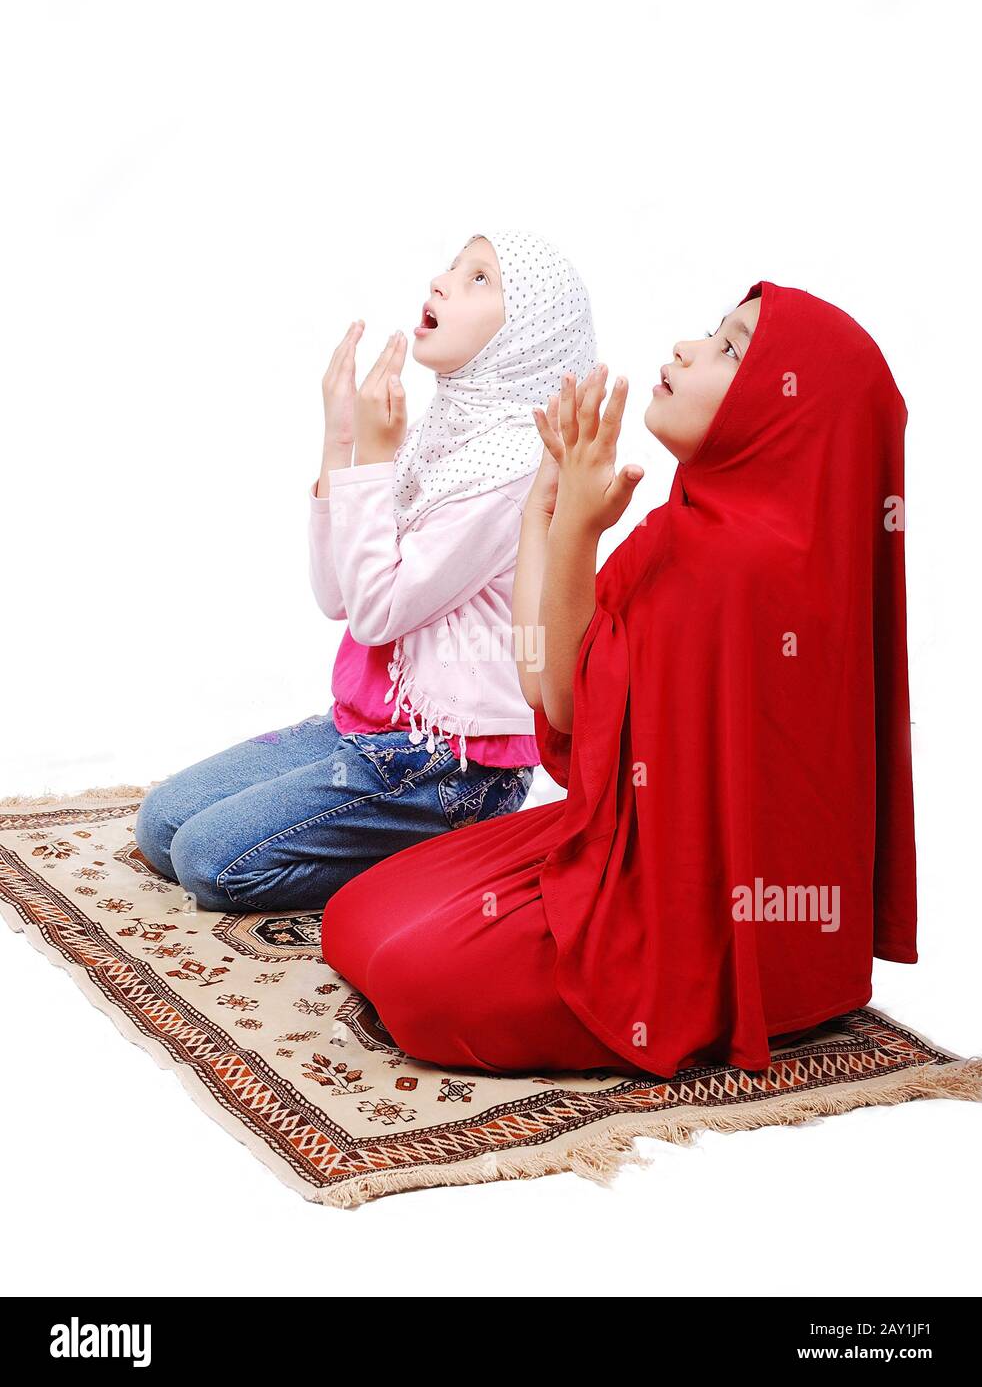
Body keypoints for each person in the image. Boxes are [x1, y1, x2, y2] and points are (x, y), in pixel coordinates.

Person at [321, 280, 917, 1078]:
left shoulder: (731, 567)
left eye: (731, 349)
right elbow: (545, 684)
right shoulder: (692, 528)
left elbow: (559, 701)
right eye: (713, 330)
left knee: (412, 981)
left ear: (788, 414)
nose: (687, 348)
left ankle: (746, 989)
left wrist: (572, 533)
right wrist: (552, 512)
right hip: (625, 844)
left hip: (678, 910)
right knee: (355, 914)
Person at [134, 229, 597, 914]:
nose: (441, 281)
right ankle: (375, 833)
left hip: (447, 762)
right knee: (162, 824)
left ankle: (446, 853)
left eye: (478, 279)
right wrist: (343, 441)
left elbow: (380, 611)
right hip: (369, 728)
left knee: (210, 860)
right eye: (451, 266)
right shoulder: (441, 437)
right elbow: (337, 597)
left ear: (525, 336)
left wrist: (376, 458)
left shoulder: (510, 470)